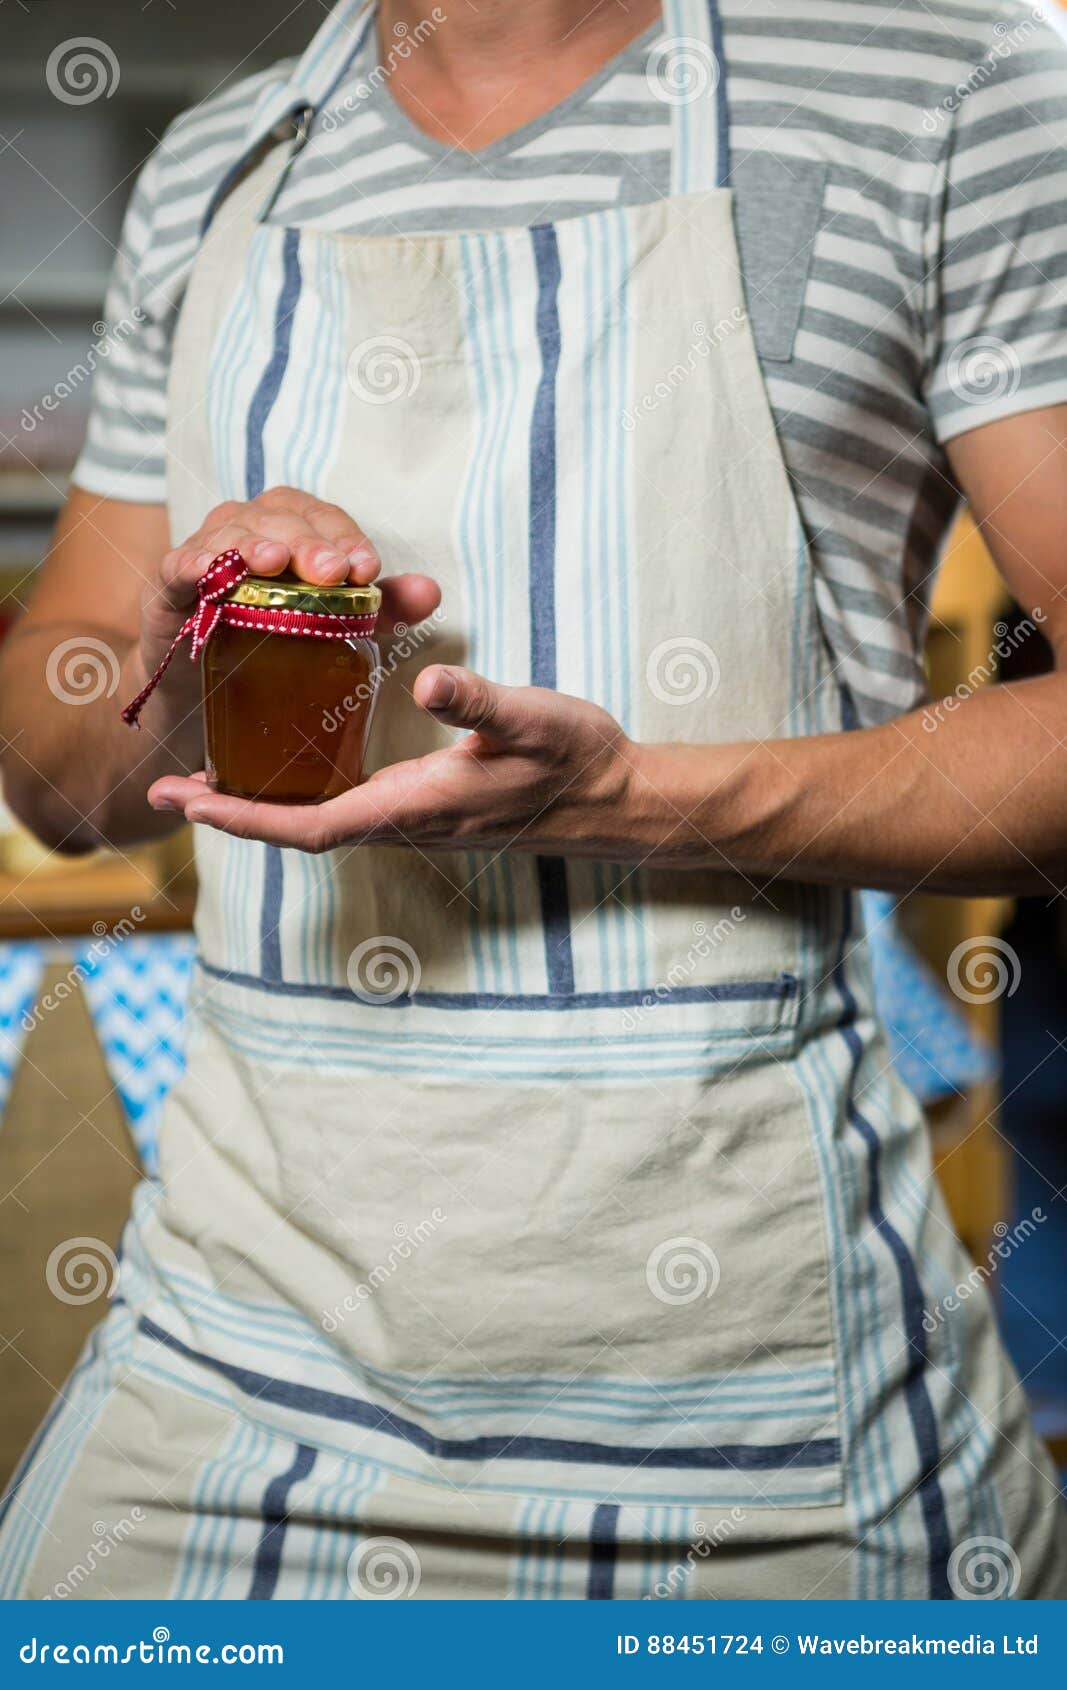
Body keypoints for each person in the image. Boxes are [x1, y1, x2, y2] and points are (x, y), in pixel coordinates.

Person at [1, 0, 1066, 1601]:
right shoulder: (224, 164)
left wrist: (641, 799)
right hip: (219, 1383)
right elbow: (68, 777)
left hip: (773, 1432)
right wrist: (179, 670)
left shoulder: (949, 89)